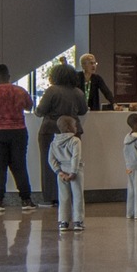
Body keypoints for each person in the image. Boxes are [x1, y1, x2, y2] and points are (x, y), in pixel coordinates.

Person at [0, 63, 35, 211]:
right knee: (19, 166)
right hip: (18, 132)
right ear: (9, 76)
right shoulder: (20, 91)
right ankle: (26, 200)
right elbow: (29, 106)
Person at [35, 62, 89, 204]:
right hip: (73, 131)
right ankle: (71, 196)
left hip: (50, 131)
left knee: (50, 164)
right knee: (73, 163)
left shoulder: (52, 91)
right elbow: (83, 110)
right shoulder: (78, 92)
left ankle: (51, 197)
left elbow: (39, 111)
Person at [50, 114, 85, 231]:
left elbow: (51, 159)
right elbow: (76, 157)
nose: (76, 128)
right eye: (75, 125)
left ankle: (63, 221)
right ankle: (78, 221)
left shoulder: (54, 142)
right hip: (75, 171)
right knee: (78, 196)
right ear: (70, 128)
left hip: (62, 171)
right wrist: (73, 172)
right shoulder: (75, 141)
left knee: (63, 196)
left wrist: (59, 171)